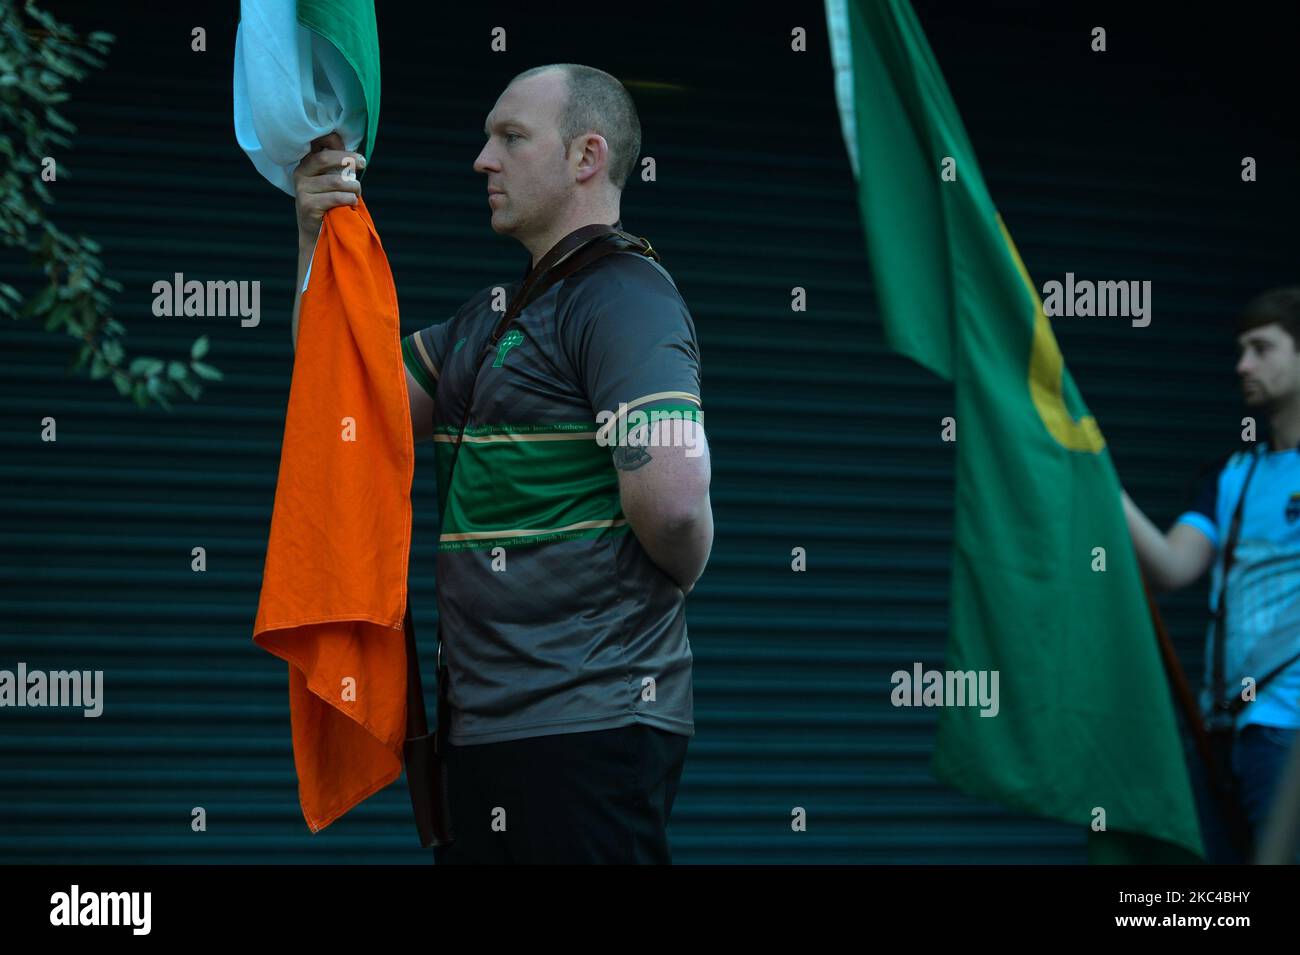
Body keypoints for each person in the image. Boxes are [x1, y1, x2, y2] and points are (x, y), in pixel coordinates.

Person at [289, 63, 713, 863]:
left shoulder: (626, 296)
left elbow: (677, 505)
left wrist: (667, 580)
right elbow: (339, 414)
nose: (482, 159)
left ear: (586, 157)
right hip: (484, 732)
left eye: (511, 137)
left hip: (586, 727)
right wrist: (316, 237)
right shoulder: (486, 320)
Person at [1122, 286, 1300, 862]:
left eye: (1260, 348)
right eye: (1240, 349)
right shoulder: (1232, 476)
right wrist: (1099, 477)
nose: (1241, 365)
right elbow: (1172, 568)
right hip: (1221, 735)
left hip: (1289, 733)